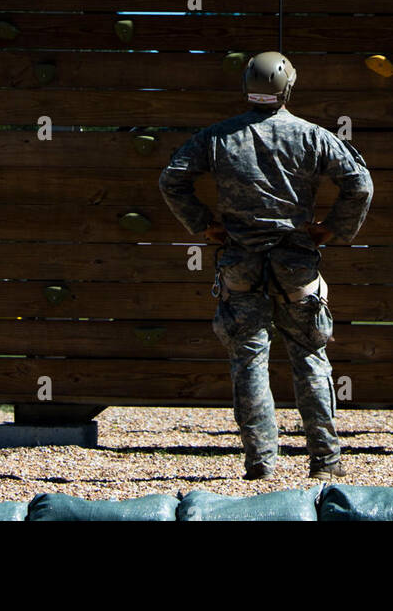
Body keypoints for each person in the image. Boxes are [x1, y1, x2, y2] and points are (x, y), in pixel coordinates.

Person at [158, 51, 373, 480]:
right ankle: (326, 463)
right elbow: (359, 185)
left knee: (249, 358)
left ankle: (260, 465)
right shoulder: (315, 137)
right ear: (288, 87)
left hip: (240, 263)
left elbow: (172, 178)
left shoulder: (216, 137)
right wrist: (330, 230)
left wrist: (204, 225)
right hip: (298, 265)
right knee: (310, 356)